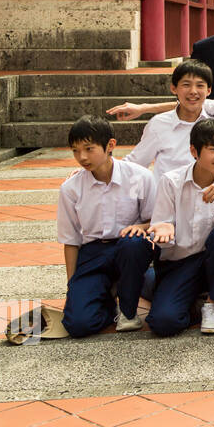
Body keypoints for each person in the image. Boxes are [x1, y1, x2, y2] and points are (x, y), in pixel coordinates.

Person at [145, 119, 214, 337]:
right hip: (180, 263)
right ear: (194, 150)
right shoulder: (171, 181)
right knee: (164, 323)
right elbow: (162, 223)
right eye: (213, 149)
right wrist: (163, 229)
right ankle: (191, 302)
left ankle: (213, 303)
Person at [57, 115, 156, 336]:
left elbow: (156, 222)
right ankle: (108, 301)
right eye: (75, 150)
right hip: (94, 252)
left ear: (110, 145)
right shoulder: (71, 188)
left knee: (133, 244)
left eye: (89, 149)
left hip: (131, 250)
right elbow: (71, 240)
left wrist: (141, 227)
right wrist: (72, 287)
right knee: (78, 325)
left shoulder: (140, 177)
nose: (82, 157)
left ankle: (128, 312)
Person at [112, 59, 212, 179]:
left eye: (200, 85)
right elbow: (135, 164)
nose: (193, 91)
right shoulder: (159, 124)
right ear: (173, 88)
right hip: (166, 196)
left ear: (209, 91)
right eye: (186, 85)